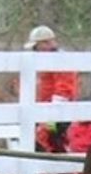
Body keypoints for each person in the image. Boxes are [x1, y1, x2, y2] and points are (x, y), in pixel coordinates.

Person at [26, 25, 81, 153]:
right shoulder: (45, 61)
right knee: (43, 141)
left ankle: (61, 171)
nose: (35, 50)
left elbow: (65, 90)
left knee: (51, 141)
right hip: (45, 111)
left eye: (37, 46)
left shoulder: (60, 60)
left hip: (57, 112)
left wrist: (51, 116)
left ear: (47, 43)